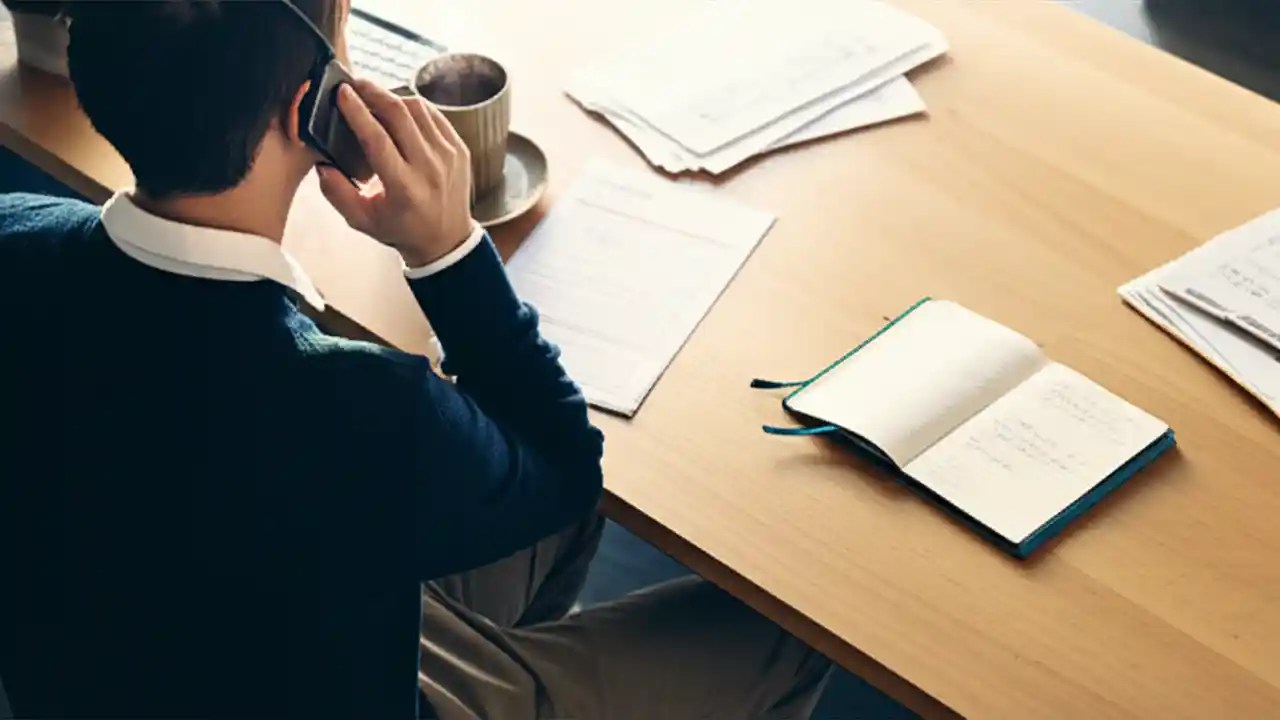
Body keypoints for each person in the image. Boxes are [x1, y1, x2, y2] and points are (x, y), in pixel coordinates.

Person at [0, 1, 832, 718]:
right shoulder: (360, 406)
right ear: (314, 108)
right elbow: (566, 464)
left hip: (121, 645)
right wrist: (448, 252)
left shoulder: (13, 237)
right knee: (788, 636)